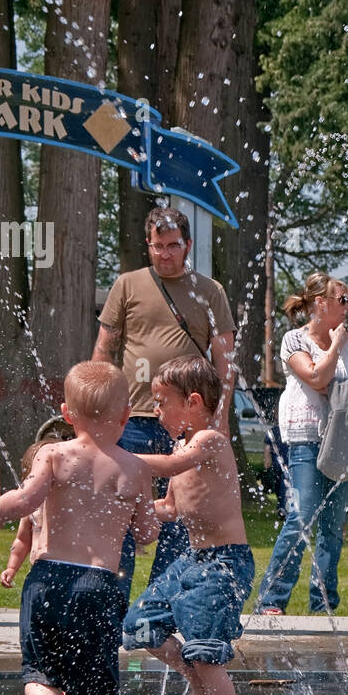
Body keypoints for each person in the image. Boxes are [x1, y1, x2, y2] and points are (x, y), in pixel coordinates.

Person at [0, 362, 158, 695]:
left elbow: (22, 503)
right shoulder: (135, 469)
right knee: (96, 691)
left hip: (48, 580)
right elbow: (144, 533)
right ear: (124, 416)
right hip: (101, 586)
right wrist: (160, 514)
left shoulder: (53, 455)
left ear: (67, 413)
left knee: (39, 669)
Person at [93, 205, 237, 599]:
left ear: (188, 245)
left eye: (174, 246)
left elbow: (226, 363)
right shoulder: (127, 284)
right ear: (148, 244)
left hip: (188, 423)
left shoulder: (210, 291)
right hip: (133, 417)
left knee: (180, 519)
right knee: (118, 512)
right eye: (158, 246)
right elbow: (103, 351)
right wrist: (94, 411)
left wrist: (219, 419)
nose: (165, 254)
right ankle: (111, 601)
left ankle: (163, 605)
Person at [122, 357, 254, 695]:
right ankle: (195, 680)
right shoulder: (184, 447)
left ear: (193, 402)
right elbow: (170, 509)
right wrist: (133, 510)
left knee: (205, 651)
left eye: (162, 402)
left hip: (223, 564)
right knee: (139, 625)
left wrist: (118, 458)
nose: (156, 411)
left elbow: (174, 466)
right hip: (191, 561)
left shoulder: (210, 441)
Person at [257, 273, 348, 614]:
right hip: (306, 439)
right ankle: (272, 597)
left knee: (333, 527)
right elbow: (315, 377)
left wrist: (336, 387)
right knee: (301, 515)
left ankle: (323, 603)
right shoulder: (294, 340)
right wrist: (335, 351)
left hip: (342, 439)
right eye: (343, 299)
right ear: (320, 304)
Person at [0, 421, 76, 588]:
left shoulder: (69, 505)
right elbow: (22, 540)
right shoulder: (32, 508)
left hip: (68, 572)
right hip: (38, 574)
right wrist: (11, 568)